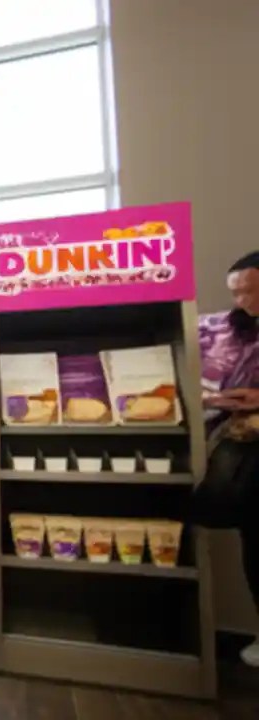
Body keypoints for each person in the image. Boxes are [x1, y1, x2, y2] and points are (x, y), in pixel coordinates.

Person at [197, 251, 259, 665]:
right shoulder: (217, 328)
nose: (243, 301)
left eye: (251, 291)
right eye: (236, 293)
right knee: (254, 541)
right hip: (241, 450)